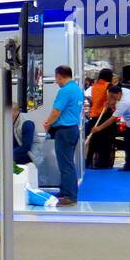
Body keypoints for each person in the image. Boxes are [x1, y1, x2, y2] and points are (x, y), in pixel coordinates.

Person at [43, 65, 83, 206]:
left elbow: (56, 112)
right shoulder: (77, 89)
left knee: (65, 164)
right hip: (72, 129)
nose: (56, 81)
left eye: (56, 77)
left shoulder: (65, 91)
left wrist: (48, 123)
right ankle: (66, 190)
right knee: (68, 163)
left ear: (60, 75)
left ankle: (70, 196)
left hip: (64, 131)